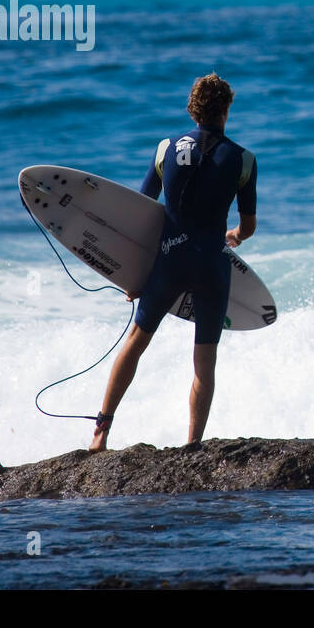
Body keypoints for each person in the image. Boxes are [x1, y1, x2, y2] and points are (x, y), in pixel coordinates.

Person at [89, 73, 257, 451]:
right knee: (205, 360)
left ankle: (101, 432)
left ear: (192, 109)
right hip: (212, 264)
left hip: (169, 260)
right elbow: (247, 226)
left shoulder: (166, 148)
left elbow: (141, 211)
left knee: (136, 341)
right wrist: (235, 236)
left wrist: (131, 275)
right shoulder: (245, 160)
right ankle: (192, 444)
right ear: (227, 109)